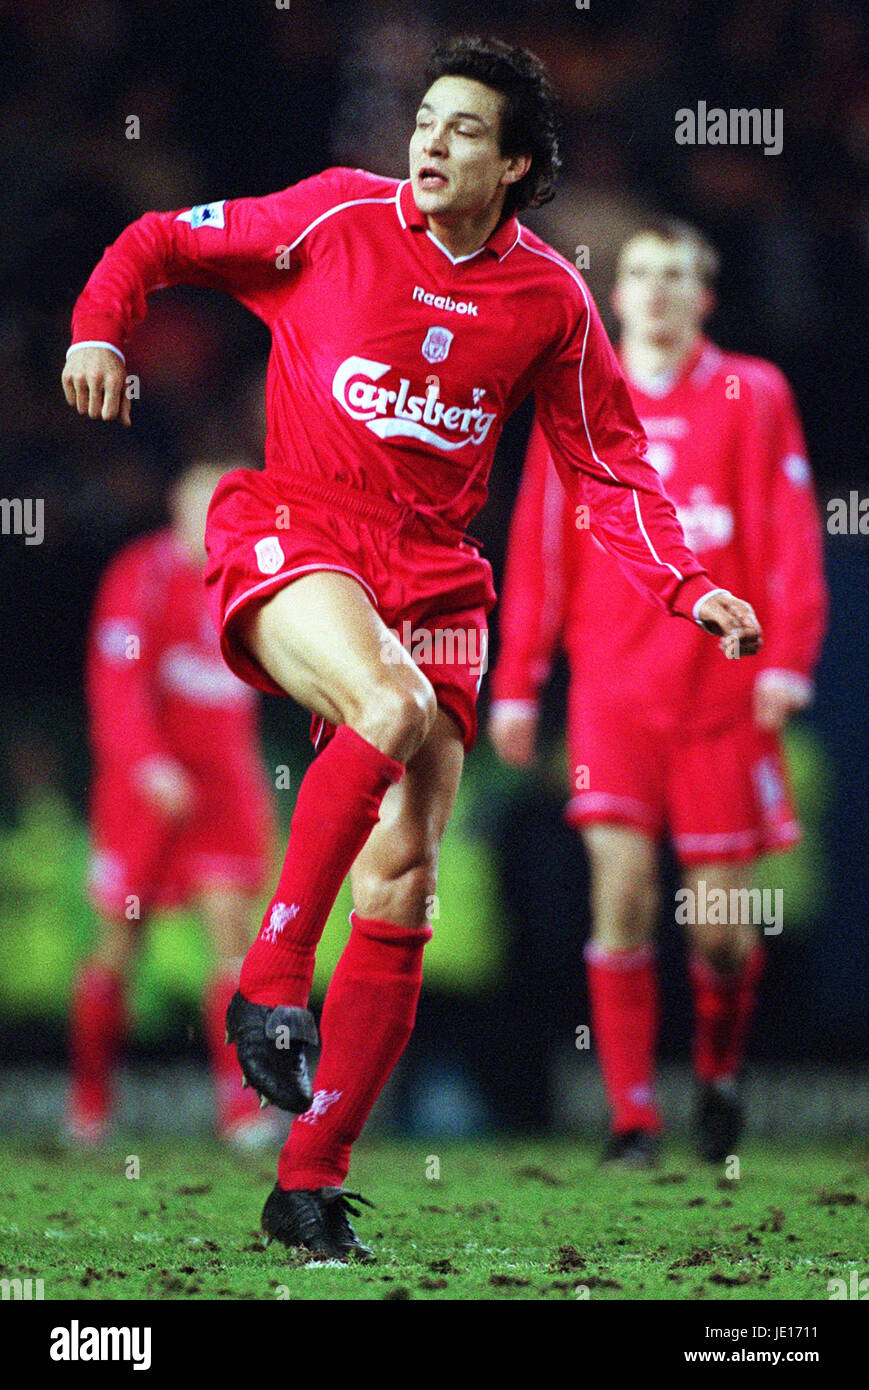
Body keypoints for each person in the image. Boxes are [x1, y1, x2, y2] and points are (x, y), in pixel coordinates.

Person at [61, 37, 762, 1260]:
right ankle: (270, 979)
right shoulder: (331, 217)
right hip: (295, 527)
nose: (430, 142)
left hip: (436, 574)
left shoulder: (548, 299)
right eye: (425, 120)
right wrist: (99, 331)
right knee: (383, 709)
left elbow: (608, 467)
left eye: (463, 130)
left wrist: (685, 584)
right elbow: (160, 239)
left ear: (517, 165)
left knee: (404, 884)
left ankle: (308, 1183)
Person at [489, 220, 827, 1166]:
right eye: (640, 273)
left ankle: (717, 1072)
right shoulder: (581, 401)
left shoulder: (752, 394)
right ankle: (632, 1116)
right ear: (616, 293)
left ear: (704, 297)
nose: (658, 290)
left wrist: (787, 659)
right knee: (623, 894)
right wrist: (517, 683)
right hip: (611, 697)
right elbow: (542, 549)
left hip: (721, 698)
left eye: (678, 275)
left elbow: (788, 534)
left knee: (720, 933)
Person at [69, 456, 279, 1151]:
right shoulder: (140, 576)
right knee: (118, 946)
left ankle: (240, 1111)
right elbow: (115, 681)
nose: (217, 527)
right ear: (177, 511)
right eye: (205, 512)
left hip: (222, 787)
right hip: (147, 792)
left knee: (232, 941)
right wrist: (147, 763)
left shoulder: (254, 578)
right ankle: (90, 1103)